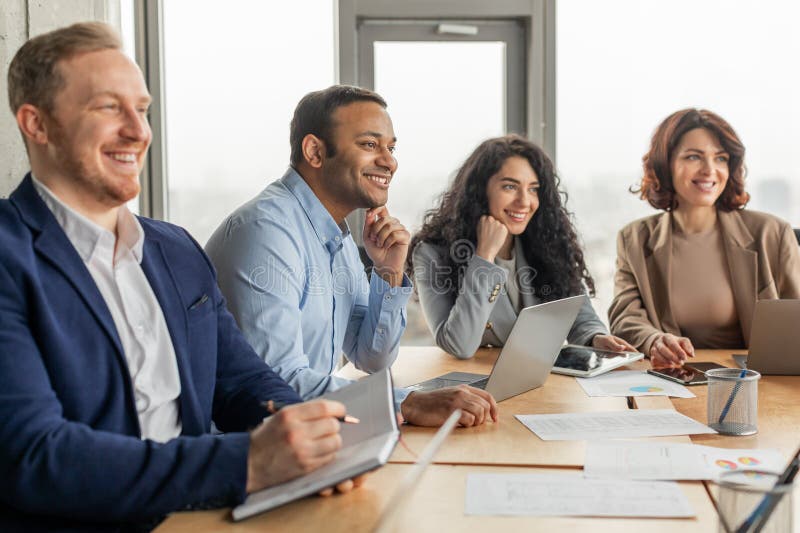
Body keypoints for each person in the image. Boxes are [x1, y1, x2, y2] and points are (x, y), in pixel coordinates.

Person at [0, 22, 357, 530]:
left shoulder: (175, 248)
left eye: (142, 110)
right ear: (37, 124)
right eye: (109, 108)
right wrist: (249, 462)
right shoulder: (8, 256)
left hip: (199, 513)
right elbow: (35, 455)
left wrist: (308, 436)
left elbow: (239, 381)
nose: (138, 131)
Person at [206, 85, 498, 428]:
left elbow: (372, 358)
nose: (389, 161)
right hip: (251, 444)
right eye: (369, 145)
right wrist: (408, 403)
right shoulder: (266, 232)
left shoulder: (336, 237)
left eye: (390, 148)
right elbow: (277, 385)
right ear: (315, 151)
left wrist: (388, 272)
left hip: (307, 431)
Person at [407, 134, 635, 359]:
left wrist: (595, 337)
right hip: (475, 379)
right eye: (510, 187)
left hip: (537, 375)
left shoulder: (546, 243)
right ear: (479, 191)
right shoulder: (432, 254)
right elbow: (459, 344)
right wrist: (484, 256)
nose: (525, 201)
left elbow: (576, 310)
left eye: (533, 189)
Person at [608, 108, 800, 368]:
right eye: (693, 157)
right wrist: (654, 340)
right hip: (672, 376)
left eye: (720, 158)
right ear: (666, 165)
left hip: (755, 381)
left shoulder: (772, 233)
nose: (710, 170)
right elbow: (625, 317)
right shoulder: (634, 239)